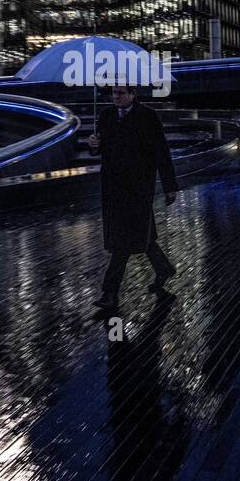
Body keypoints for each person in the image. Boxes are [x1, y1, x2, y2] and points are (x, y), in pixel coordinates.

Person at [87, 84, 179, 311]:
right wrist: (94, 147)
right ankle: (164, 268)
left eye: (121, 93)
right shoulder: (106, 115)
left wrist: (170, 186)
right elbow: (100, 149)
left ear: (132, 95)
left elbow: (162, 152)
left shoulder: (148, 116)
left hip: (138, 188)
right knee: (141, 236)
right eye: (114, 93)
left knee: (122, 242)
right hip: (112, 188)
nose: (116, 97)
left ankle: (110, 293)